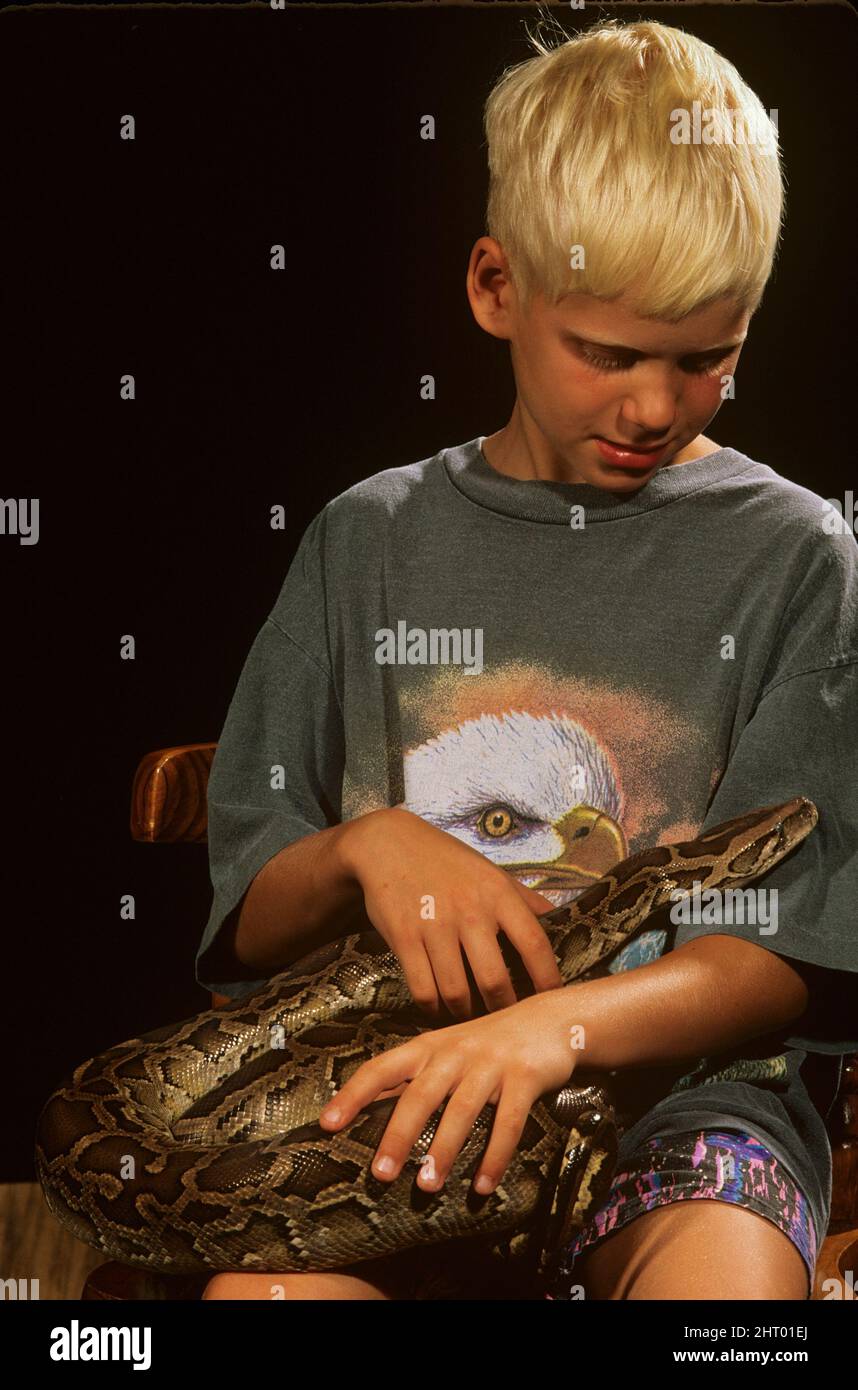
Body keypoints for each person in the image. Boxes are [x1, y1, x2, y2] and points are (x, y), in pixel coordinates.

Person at [197, 17, 858, 1300]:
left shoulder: (801, 558)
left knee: (725, 1301)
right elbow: (252, 922)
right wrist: (360, 845)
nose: (656, 406)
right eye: (608, 353)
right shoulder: (366, 542)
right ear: (498, 288)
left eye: (705, 358)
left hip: (689, 1109)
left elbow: (771, 955)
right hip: (393, 1106)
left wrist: (545, 1030)